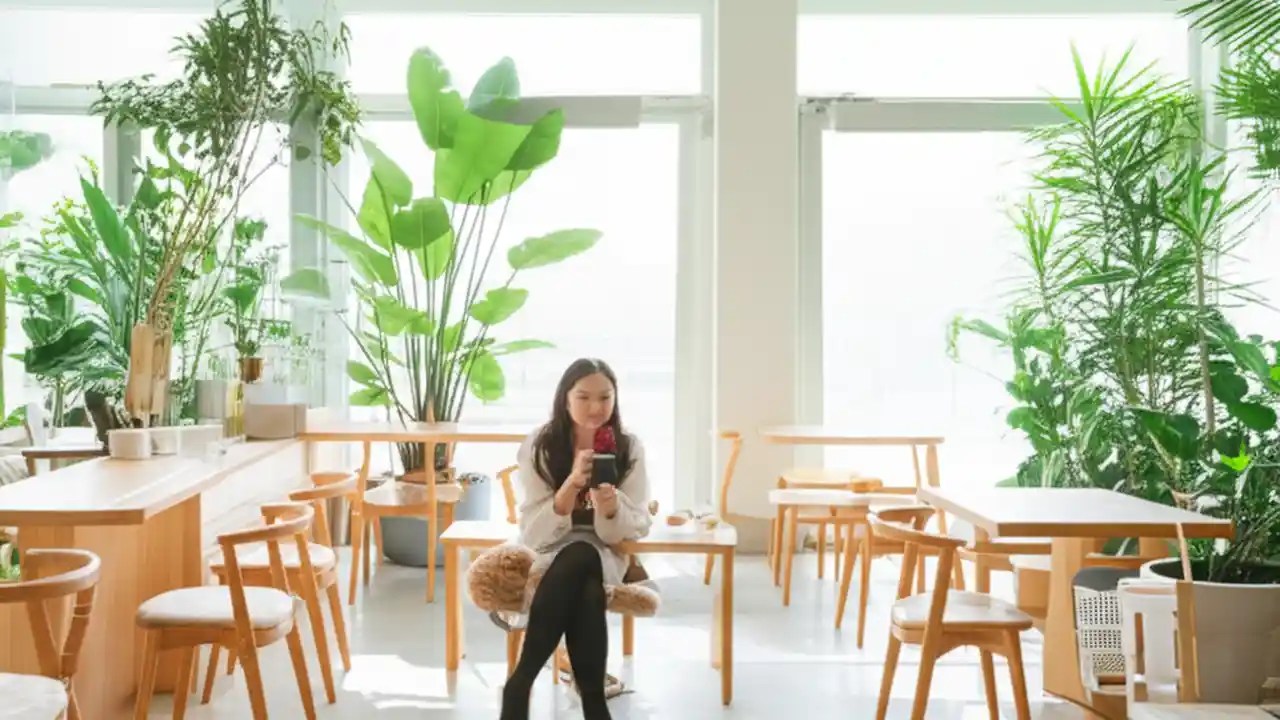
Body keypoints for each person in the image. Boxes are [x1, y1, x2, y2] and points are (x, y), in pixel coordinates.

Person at [500, 358, 653, 720]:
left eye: (605, 397)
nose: (596, 407)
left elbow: (634, 527)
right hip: (549, 553)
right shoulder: (540, 445)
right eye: (584, 397)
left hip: (606, 552)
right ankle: (594, 705)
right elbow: (533, 534)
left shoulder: (629, 447)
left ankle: (520, 683)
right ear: (565, 399)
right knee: (586, 590)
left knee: (585, 554)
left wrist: (610, 508)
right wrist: (570, 485)